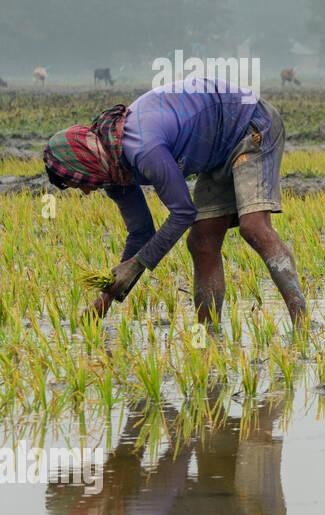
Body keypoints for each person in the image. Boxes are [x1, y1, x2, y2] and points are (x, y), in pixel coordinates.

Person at [43, 76, 308, 328]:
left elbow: (182, 213)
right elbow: (141, 234)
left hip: (250, 123)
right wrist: (105, 300)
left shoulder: (144, 148)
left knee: (254, 227)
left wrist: (135, 265)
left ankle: (303, 327)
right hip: (216, 146)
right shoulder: (113, 173)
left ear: (84, 160)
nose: (88, 191)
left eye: (80, 182)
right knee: (201, 242)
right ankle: (208, 337)